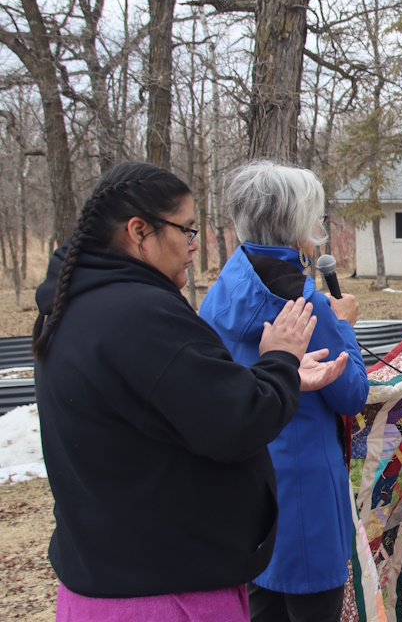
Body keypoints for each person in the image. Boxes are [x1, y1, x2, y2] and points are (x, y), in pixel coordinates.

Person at [33, 161, 341, 622]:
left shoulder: (73, 305)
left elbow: (183, 401)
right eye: (187, 230)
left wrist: (283, 376)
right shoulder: (140, 316)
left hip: (105, 580)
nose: (195, 245)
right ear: (139, 231)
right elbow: (238, 421)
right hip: (163, 593)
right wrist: (281, 357)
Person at [199, 161, 369, 622]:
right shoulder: (304, 303)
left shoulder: (222, 289)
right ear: (299, 222)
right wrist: (342, 325)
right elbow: (351, 393)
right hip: (305, 491)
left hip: (247, 483)